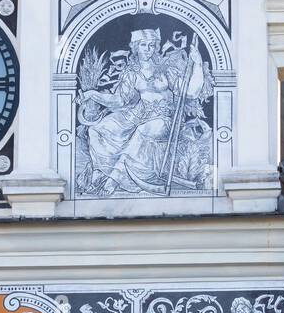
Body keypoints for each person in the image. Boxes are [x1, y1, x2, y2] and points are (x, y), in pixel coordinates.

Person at [77, 28, 212, 195]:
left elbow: (191, 92)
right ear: (135, 47)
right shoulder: (132, 73)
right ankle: (101, 173)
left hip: (164, 118)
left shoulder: (165, 70)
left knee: (143, 129)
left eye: (151, 45)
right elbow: (118, 100)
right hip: (138, 115)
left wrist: (197, 63)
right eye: (143, 45)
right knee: (97, 129)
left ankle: (113, 179)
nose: (148, 49)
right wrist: (91, 94)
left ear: (155, 47)